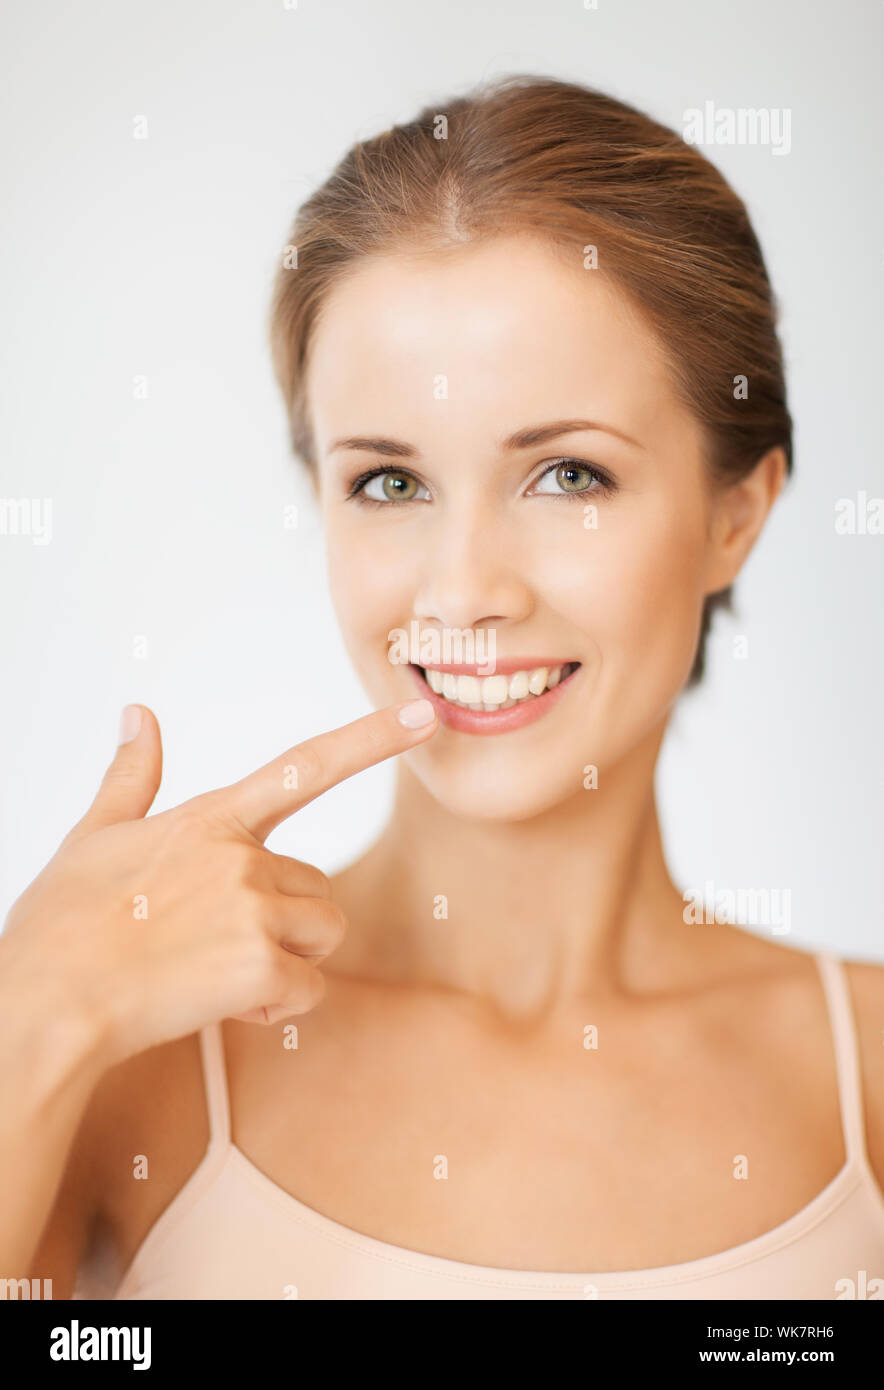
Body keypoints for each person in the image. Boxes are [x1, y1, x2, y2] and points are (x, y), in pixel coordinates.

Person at [3, 75, 883, 1300]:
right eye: (389, 483)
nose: (462, 590)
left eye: (567, 474)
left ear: (735, 513)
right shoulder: (130, 1054)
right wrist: (29, 1015)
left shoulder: (867, 1079)